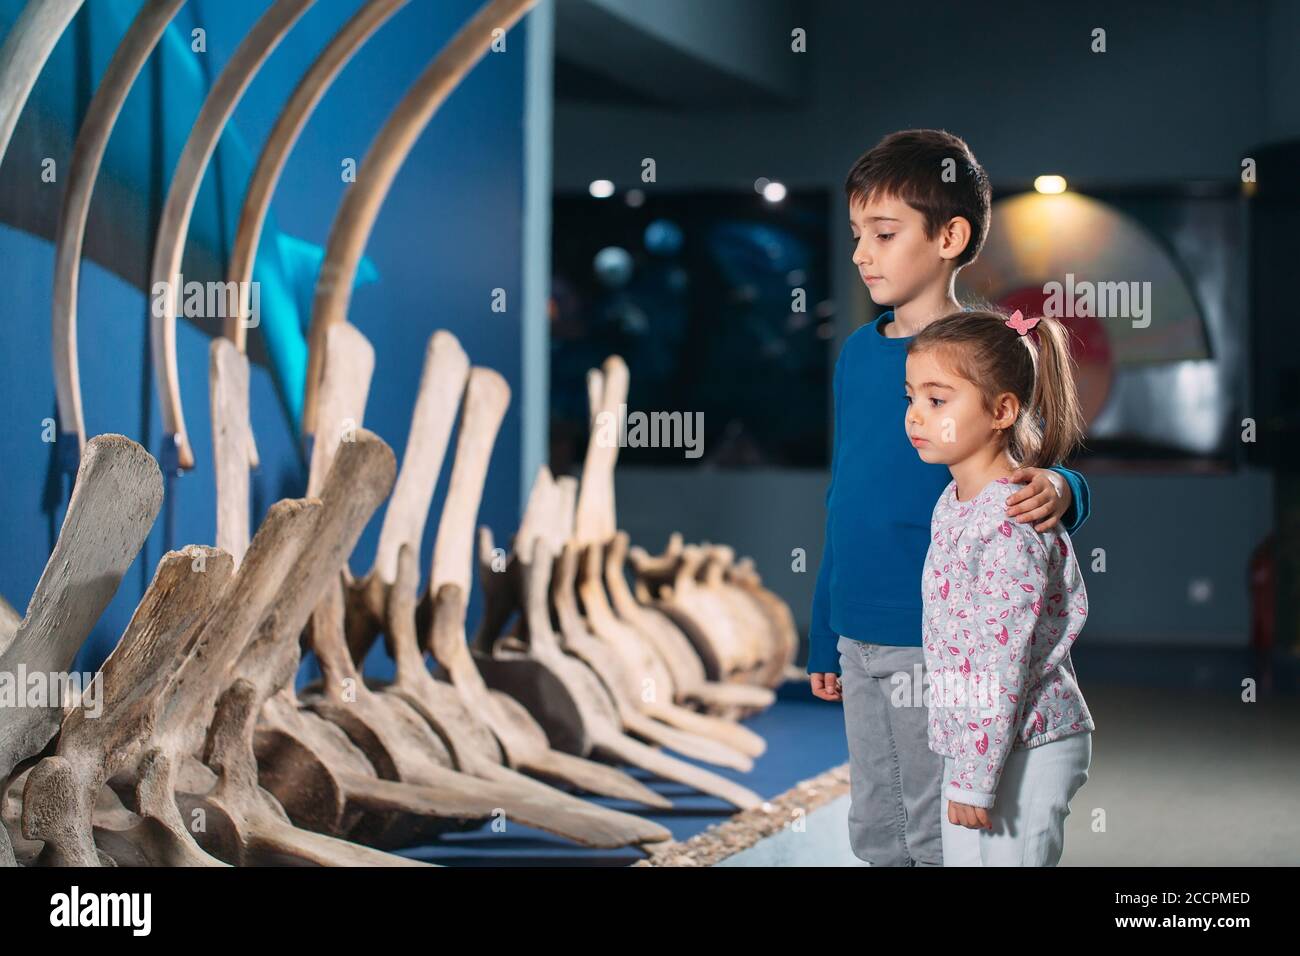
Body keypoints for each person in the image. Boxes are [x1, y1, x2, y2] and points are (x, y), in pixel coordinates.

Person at [808, 129, 1091, 867]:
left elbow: (1034, 469)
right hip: (857, 628)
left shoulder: (982, 352)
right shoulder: (857, 354)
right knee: (875, 825)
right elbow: (845, 495)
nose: (861, 252)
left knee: (941, 828)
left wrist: (1066, 487)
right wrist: (823, 625)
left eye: (884, 232)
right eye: (856, 234)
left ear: (950, 235)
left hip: (938, 640)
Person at [905, 308, 1094, 866]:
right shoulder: (952, 503)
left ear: (1002, 410)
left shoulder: (1009, 522)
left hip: (1027, 742)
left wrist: (972, 775)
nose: (916, 416)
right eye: (910, 397)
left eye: (937, 400)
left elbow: (1001, 657)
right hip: (987, 746)